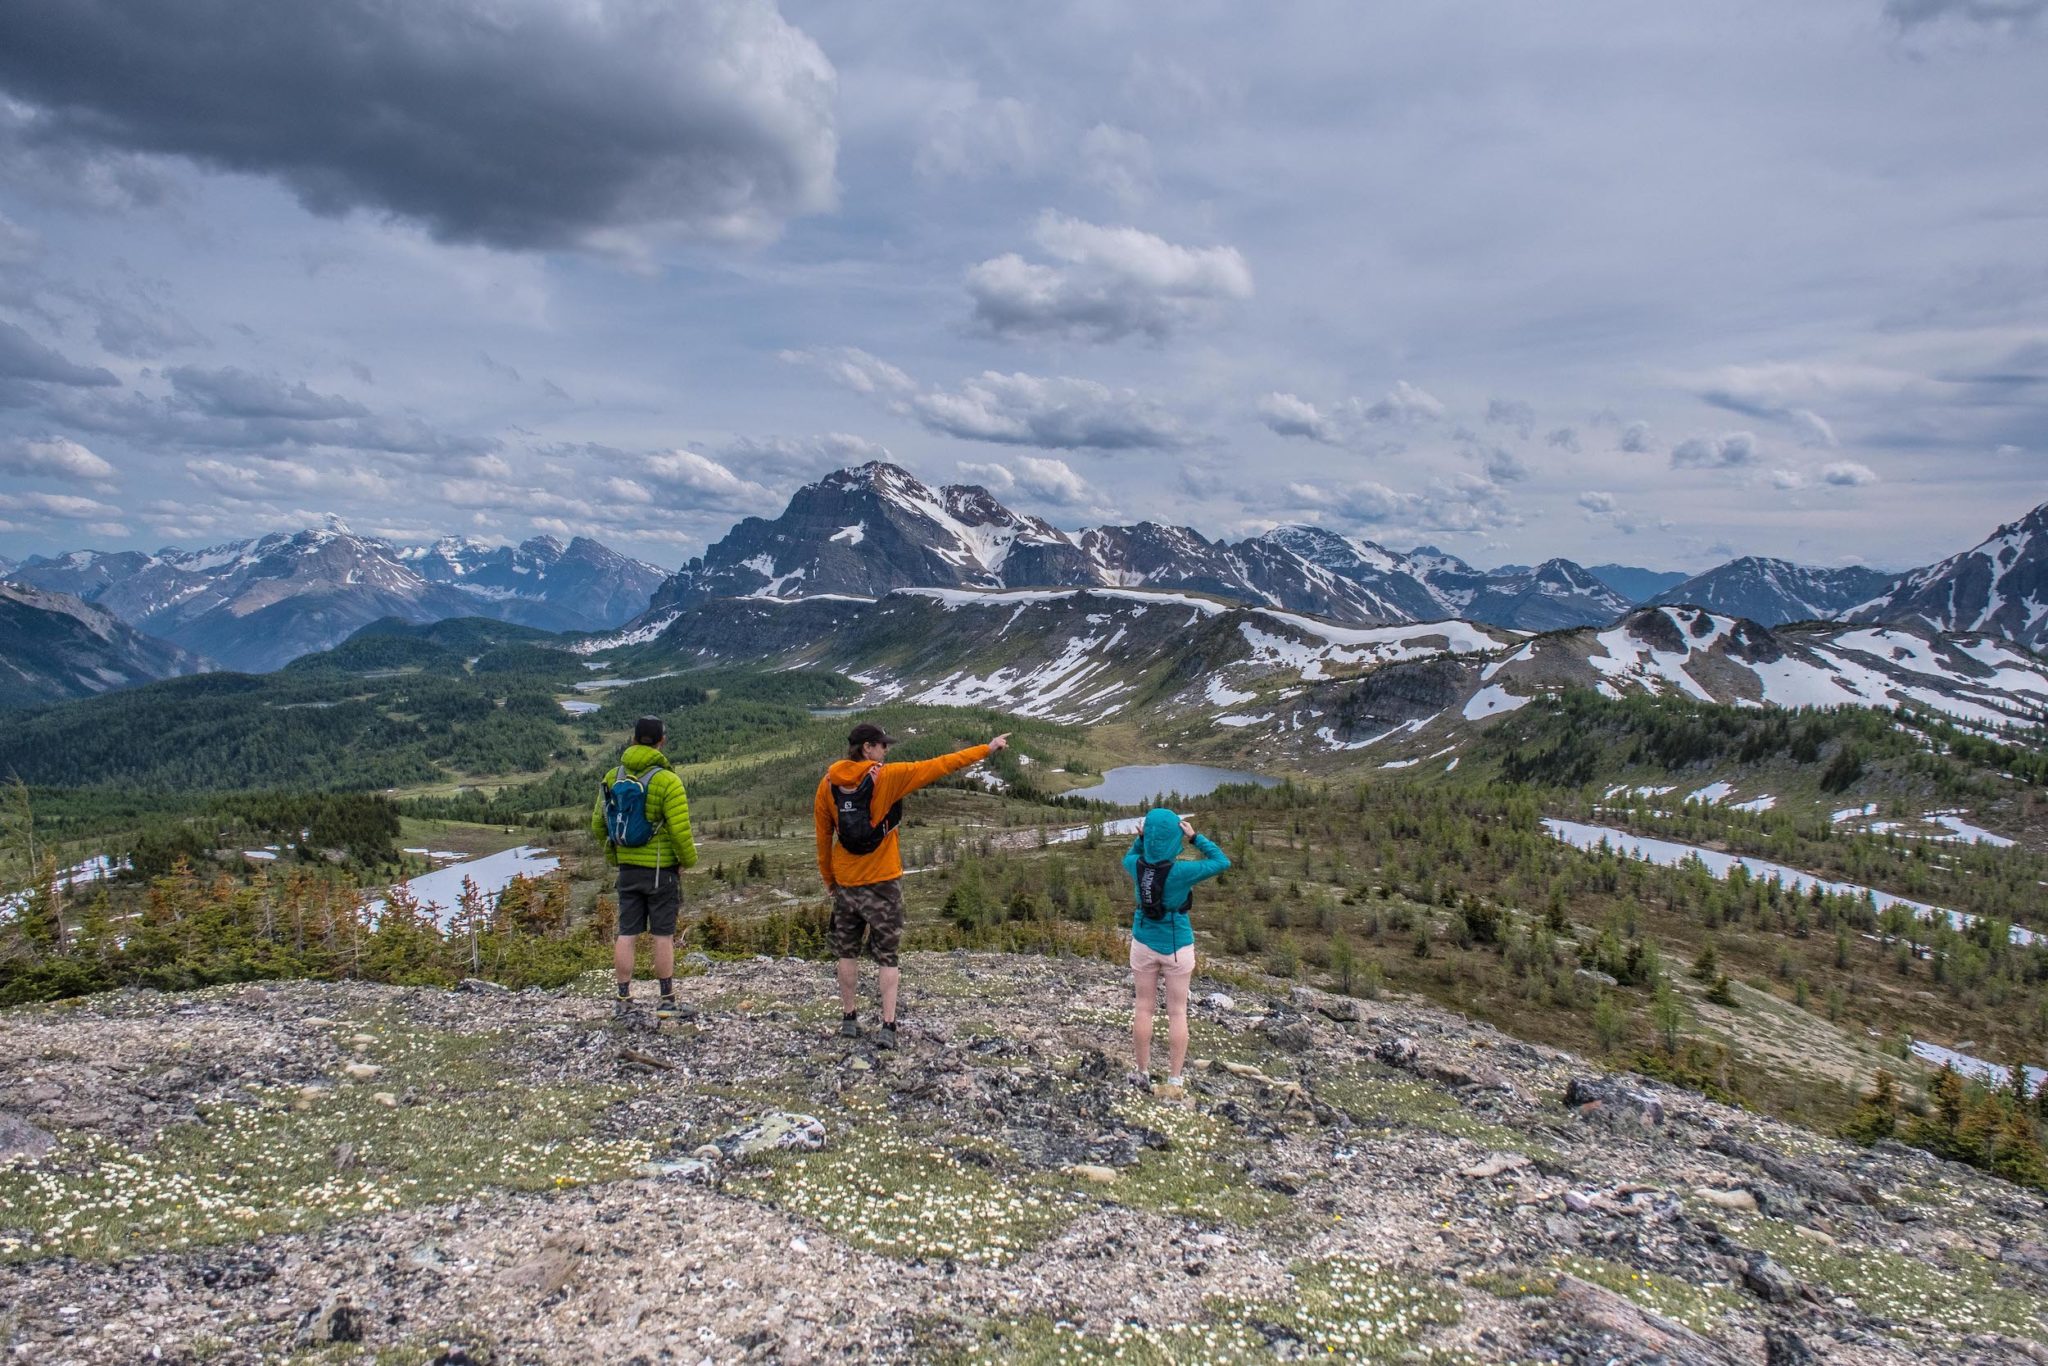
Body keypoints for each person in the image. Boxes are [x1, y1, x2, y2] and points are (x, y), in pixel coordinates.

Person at [814, 722, 1007, 1049]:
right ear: (867, 749)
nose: (886, 751)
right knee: (887, 958)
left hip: (847, 883)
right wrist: (986, 749)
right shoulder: (888, 777)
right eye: (882, 745)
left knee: (847, 954)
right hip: (884, 883)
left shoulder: (828, 783)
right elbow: (941, 764)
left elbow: (823, 838)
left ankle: (849, 1020)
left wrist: (831, 882)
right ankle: (888, 1026)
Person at [589, 715, 698, 1020]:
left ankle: (623, 1000)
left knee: (627, 933)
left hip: (627, 869)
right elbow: (679, 830)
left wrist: (615, 856)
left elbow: (598, 824)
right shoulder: (667, 780)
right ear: (662, 741)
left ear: (633, 739)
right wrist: (686, 862)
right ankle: (666, 1001)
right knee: (662, 935)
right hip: (661, 870)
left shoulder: (612, 776)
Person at [1123, 808, 1230, 1089]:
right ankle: (1174, 1078)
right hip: (1177, 947)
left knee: (1144, 1009)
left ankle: (1143, 1072)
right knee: (1177, 1012)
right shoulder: (1182, 871)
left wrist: (1142, 840)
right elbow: (1221, 861)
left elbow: (1130, 855)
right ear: (1175, 836)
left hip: (1143, 943)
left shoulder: (1135, 865)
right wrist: (1195, 838)